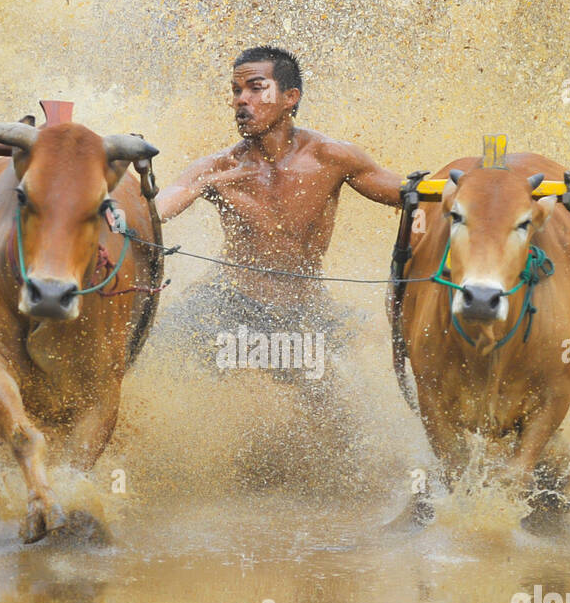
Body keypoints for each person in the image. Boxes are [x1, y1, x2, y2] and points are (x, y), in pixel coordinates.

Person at [152, 46, 404, 380]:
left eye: (256, 89)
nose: (241, 99)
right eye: (236, 91)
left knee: (365, 375)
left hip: (305, 311)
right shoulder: (217, 169)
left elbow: (409, 194)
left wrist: (474, 185)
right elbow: (155, 210)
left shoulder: (331, 158)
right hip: (228, 303)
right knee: (151, 351)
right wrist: (109, 212)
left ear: (290, 97)